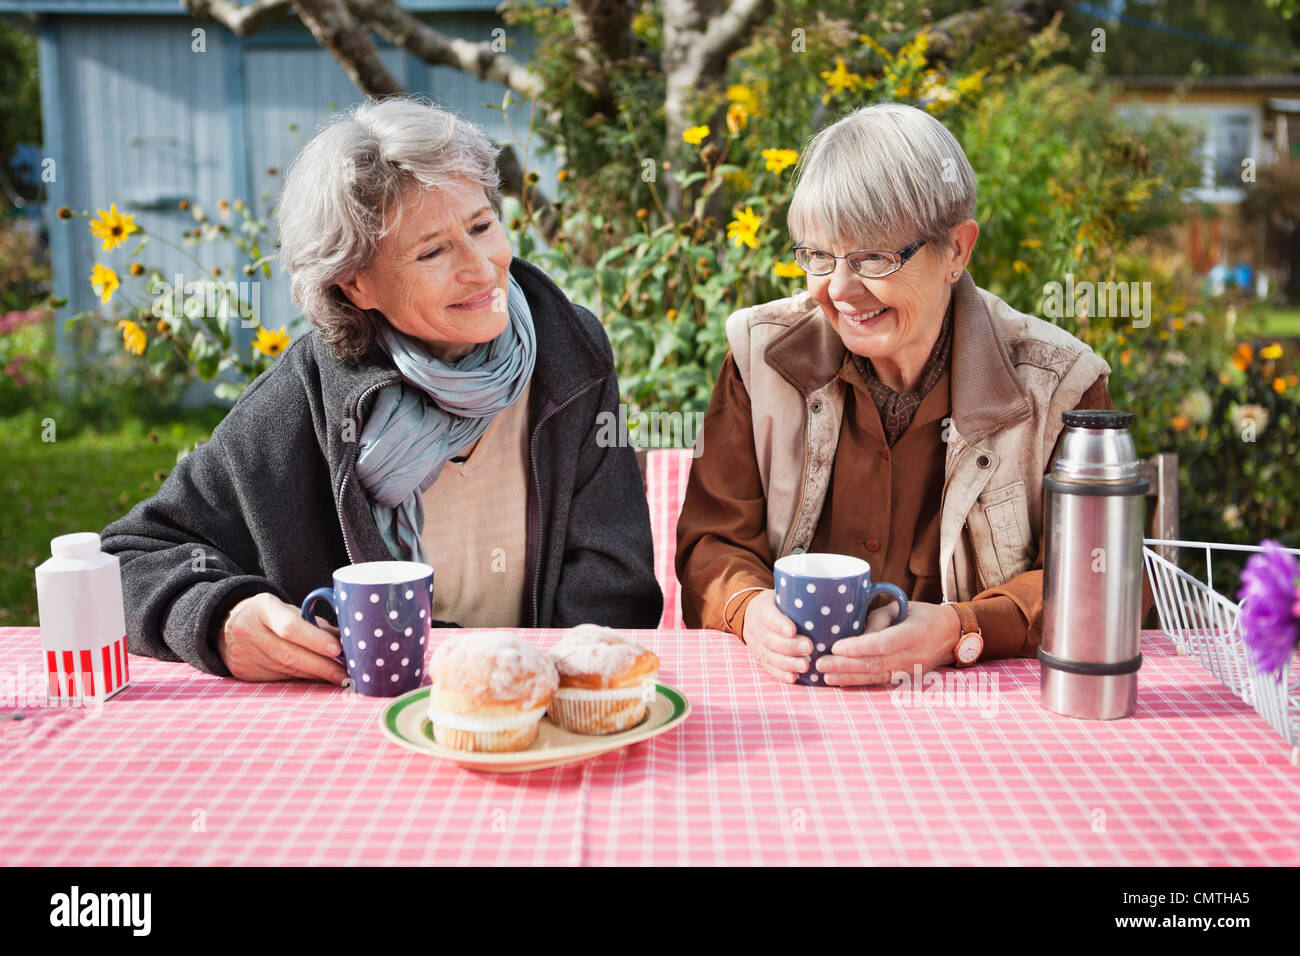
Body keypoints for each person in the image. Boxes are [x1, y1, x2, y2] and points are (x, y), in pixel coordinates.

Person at [101, 96, 661, 685]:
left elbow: (613, 589)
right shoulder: (306, 395)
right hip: (365, 720)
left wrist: (539, 691)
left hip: (534, 707)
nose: (480, 268)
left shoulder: (569, 354)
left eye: (481, 225)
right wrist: (218, 618)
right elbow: (127, 558)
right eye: (433, 251)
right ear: (357, 284)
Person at [675, 102, 1115, 686]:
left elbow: (1100, 578)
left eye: (874, 258)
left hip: (985, 721)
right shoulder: (761, 359)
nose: (840, 289)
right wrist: (752, 612)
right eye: (819, 256)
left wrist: (961, 629)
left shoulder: (1061, 385)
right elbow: (713, 542)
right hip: (794, 709)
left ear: (956, 249)